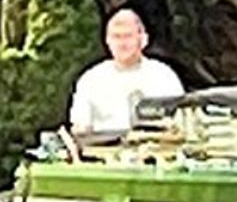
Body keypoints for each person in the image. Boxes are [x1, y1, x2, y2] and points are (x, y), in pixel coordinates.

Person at [67, 8, 185, 136]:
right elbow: (80, 127)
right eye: (116, 37)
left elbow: (181, 122)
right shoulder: (90, 80)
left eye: (128, 36)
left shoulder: (164, 76)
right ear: (107, 41)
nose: (122, 44)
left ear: (143, 39)